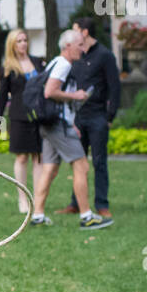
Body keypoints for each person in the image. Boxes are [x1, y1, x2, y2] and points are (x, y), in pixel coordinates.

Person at [31, 30, 108, 228]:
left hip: (49, 123)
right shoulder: (64, 65)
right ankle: (86, 216)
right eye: (79, 45)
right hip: (58, 125)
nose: (83, 50)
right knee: (81, 166)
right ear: (68, 46)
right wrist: (77, 96)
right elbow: (50, 92)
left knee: (49, 169)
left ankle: (37, 216)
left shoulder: (55, 62)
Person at [58, 17, 120, 221]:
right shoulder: (74, 56)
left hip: (97, 117)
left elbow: (115, 87)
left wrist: (110, 116)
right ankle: (76, 203)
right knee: (77, 162)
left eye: (75, 30)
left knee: (99, 162)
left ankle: (102, 204)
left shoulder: (105, 56)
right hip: (77, 118)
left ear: (84, 32)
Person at [0, 28, 44, 214]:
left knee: (38, 157)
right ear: (12, 45)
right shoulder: (8, 68)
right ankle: (22, 199)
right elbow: (1, 97)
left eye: (25, 40)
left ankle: (38, 199)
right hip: (18, 116)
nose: (23, 43)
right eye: (19, 41)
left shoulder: (38, 63)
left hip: (39, 116)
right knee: (22, 157)